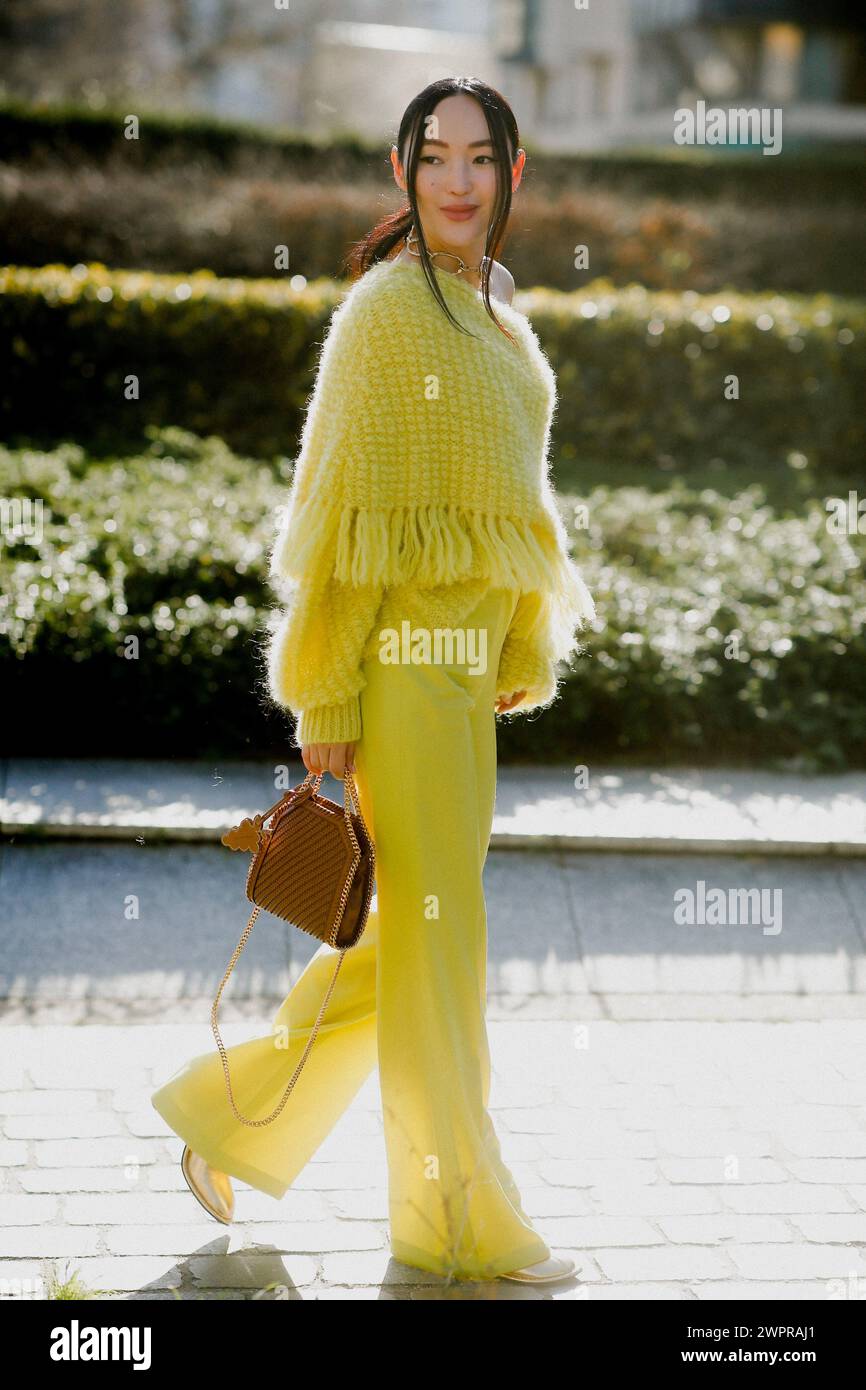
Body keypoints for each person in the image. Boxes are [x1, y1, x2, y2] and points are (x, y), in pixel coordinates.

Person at [151, 76, 596, 1287]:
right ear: (401, 171)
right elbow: (338, 525)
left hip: (465, 680)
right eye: (432, 155)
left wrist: (518, 645)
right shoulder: (384, 313)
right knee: (441, 955)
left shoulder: (498, 298)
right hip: (400, 678)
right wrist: (328, 704)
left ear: (511, 173)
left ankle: (231, 1113)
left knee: (408, 939)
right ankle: (458, 1221)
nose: (456, 179)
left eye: (479, 157)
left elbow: (514, 498)